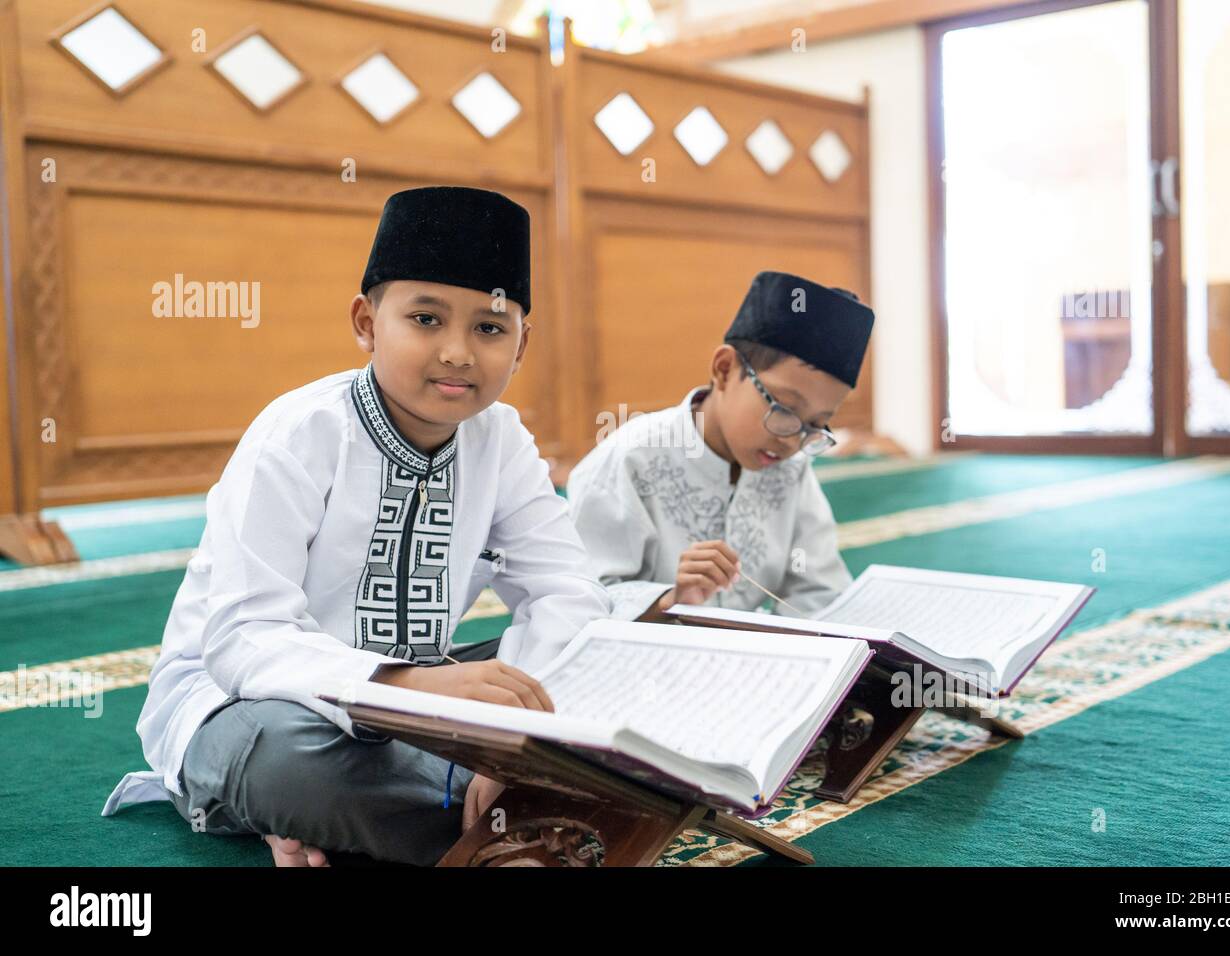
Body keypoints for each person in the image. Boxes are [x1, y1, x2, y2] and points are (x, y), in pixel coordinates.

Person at [101, 186, 611, 867]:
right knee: (287, 763)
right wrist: (402, 688)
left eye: (490, 329)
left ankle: (410, 816)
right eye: (426, 319)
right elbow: (244, 637)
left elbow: (566, 594)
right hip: (249, 705)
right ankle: (528, 820)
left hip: (429, 705)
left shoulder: (502, 440)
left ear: (522, 346)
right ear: (367, 323)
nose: (458, 352)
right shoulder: (297, 434)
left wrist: (510, 739)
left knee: (591, 665)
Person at [566, 270, 874, 623]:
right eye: (784, 409)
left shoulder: (792, 464)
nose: (791, 440)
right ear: (725, 369)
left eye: (815, 425)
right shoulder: (631, 458)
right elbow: (579, 601)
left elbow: (818, 590)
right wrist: (669, 601)